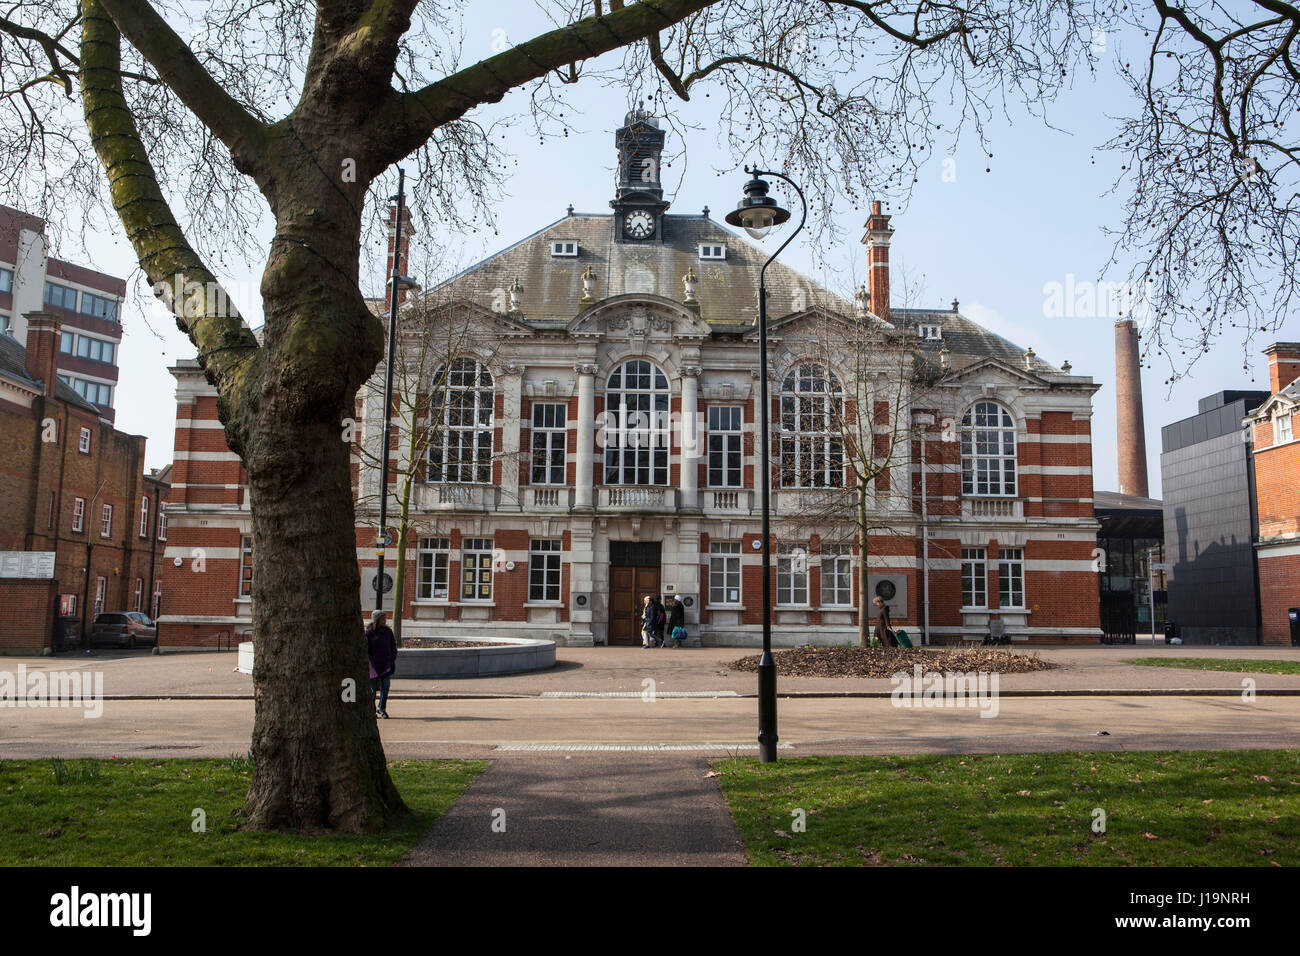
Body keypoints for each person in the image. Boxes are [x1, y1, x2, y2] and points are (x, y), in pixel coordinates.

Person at [366, 610, 398, 718]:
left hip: (386, 664)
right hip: (373, 666)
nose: (385, 620)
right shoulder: (369, 633)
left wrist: (392, 657)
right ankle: (371, 710)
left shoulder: (388, 632)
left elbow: (393, 645)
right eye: (383, 619)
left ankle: (382, 708)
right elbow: (366, 649)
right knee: (372, 690)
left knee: (386, 685)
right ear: (377, 620)